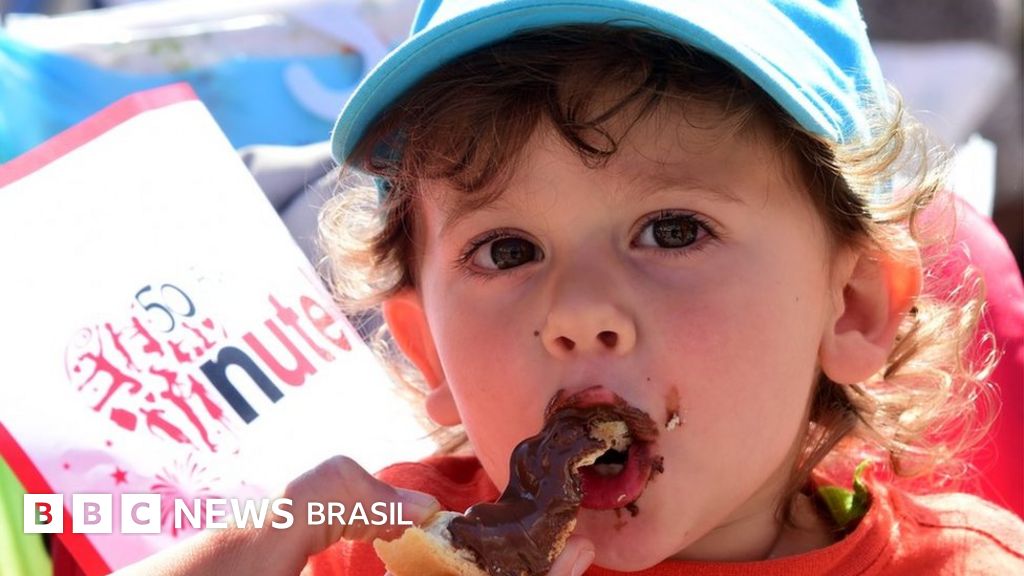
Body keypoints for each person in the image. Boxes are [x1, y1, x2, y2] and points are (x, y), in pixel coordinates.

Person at [116, 0, 1024, 574]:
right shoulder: (378, 552)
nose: (576, 312)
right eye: (506, 250)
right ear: (428, 346)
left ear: (853, 308)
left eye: (672, 231)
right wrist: (258, 542)